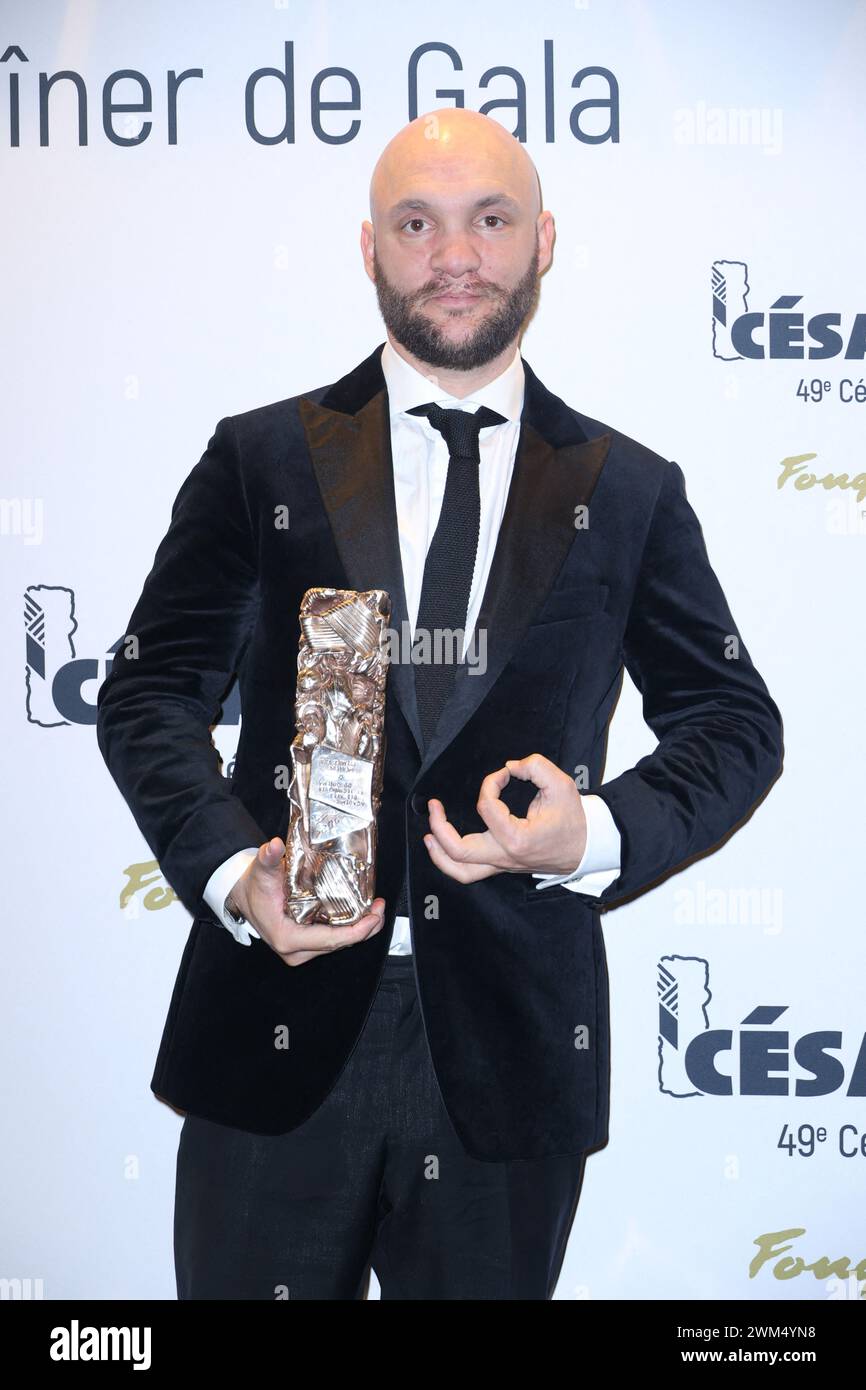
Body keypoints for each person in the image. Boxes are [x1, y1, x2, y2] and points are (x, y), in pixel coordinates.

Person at [95, 108, 784, 1300]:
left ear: (543, 240)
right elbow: (152, 688)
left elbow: (732, 723)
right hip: (277, 1018)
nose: (453, 255)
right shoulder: (261, 459)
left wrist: (593, 834)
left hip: (509, 1048)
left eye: (488, 220)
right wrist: (229, 876)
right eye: (416, 224)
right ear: (370, 248)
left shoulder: (625, 490)